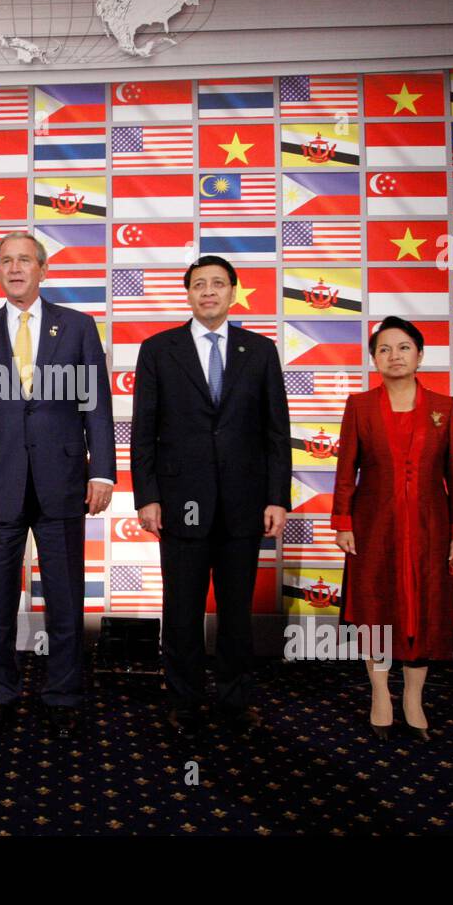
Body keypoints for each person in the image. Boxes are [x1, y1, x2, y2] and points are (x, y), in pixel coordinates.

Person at [0, 231, 115, 738]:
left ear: (43, 270)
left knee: (65, 600)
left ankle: (63, 697)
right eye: (6, 261)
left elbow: (97, 408)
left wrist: (102, 470)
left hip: (63, 481)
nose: (15, 268)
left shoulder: (80, 327)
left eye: (25, 260)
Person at [131, 255, 291, 739]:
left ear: (233, 292)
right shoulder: (159, 349)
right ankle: (182, 699)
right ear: (188, 294)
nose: (208, 292)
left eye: (218, 284)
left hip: (245, 503)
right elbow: (143, 431)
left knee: (237, 612)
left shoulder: (259, 351)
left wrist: (276, 497)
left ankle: (235, 700)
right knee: (181, 609)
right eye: (199, 284)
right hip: (180, 501)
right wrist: (147, 496)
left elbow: (276, 433)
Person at [331, 317, 453, 741]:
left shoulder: (444, 407)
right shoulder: (359, 406)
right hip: (374, 527)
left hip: (431, 528)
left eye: (404, 347)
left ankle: (413, 697)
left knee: (426, 610)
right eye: (385, 349)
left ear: (420, 355)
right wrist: (342, 522)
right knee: (377, 607)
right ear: (374, 358)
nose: (395, 356)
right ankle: (379, 694)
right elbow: (345, 472)